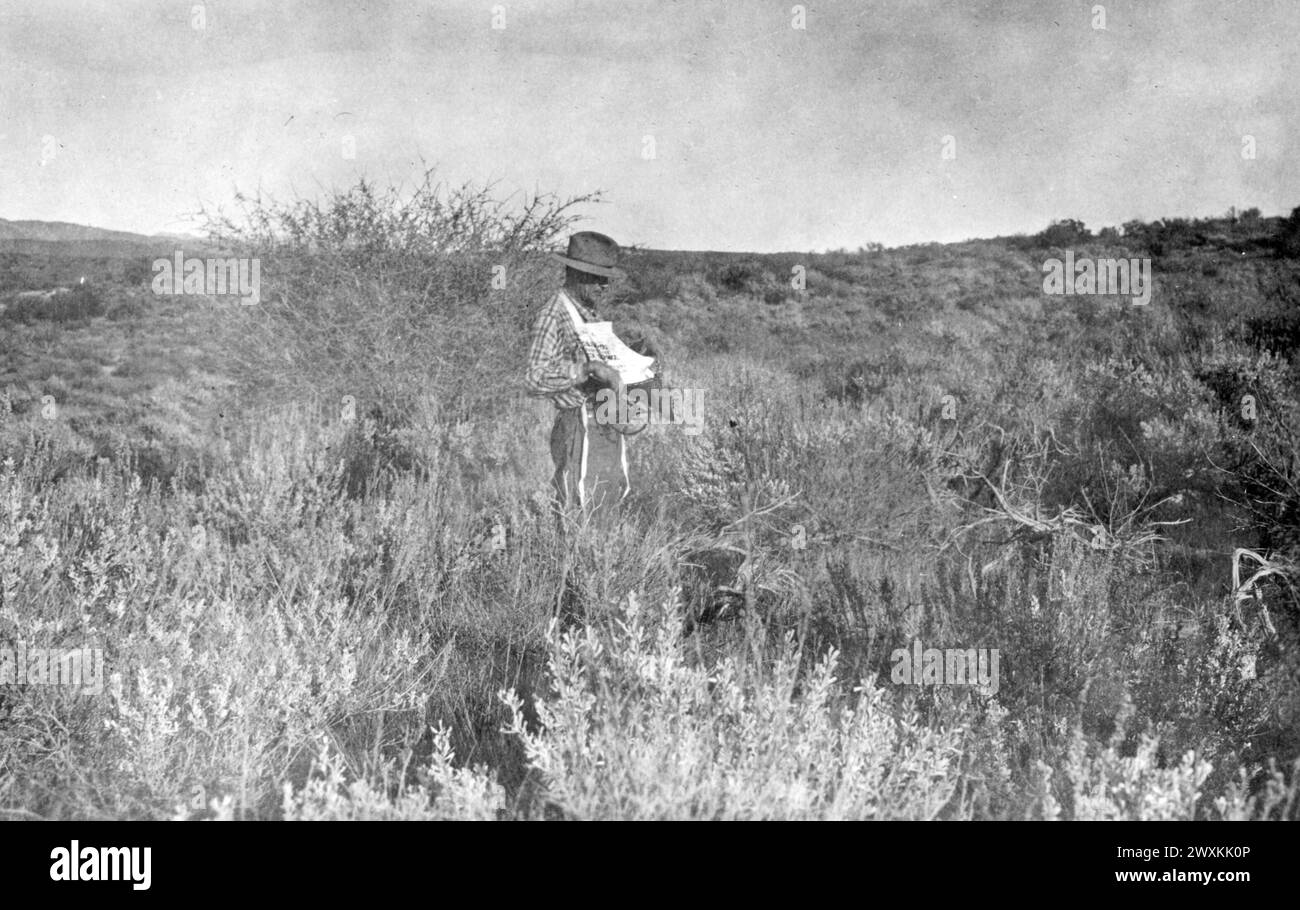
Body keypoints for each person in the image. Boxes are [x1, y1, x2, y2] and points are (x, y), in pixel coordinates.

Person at [524, 231, 650, 528]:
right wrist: (586, 369)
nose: (605, 285)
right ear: (578, 275)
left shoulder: (587, 312)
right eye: (598, 278)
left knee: (605, 498)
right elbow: (534, 377)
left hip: (601, 420)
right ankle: (577, 556)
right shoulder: (554, 314)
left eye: (606, 278)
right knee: (579, 503)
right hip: (577, 423)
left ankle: (600, 554)